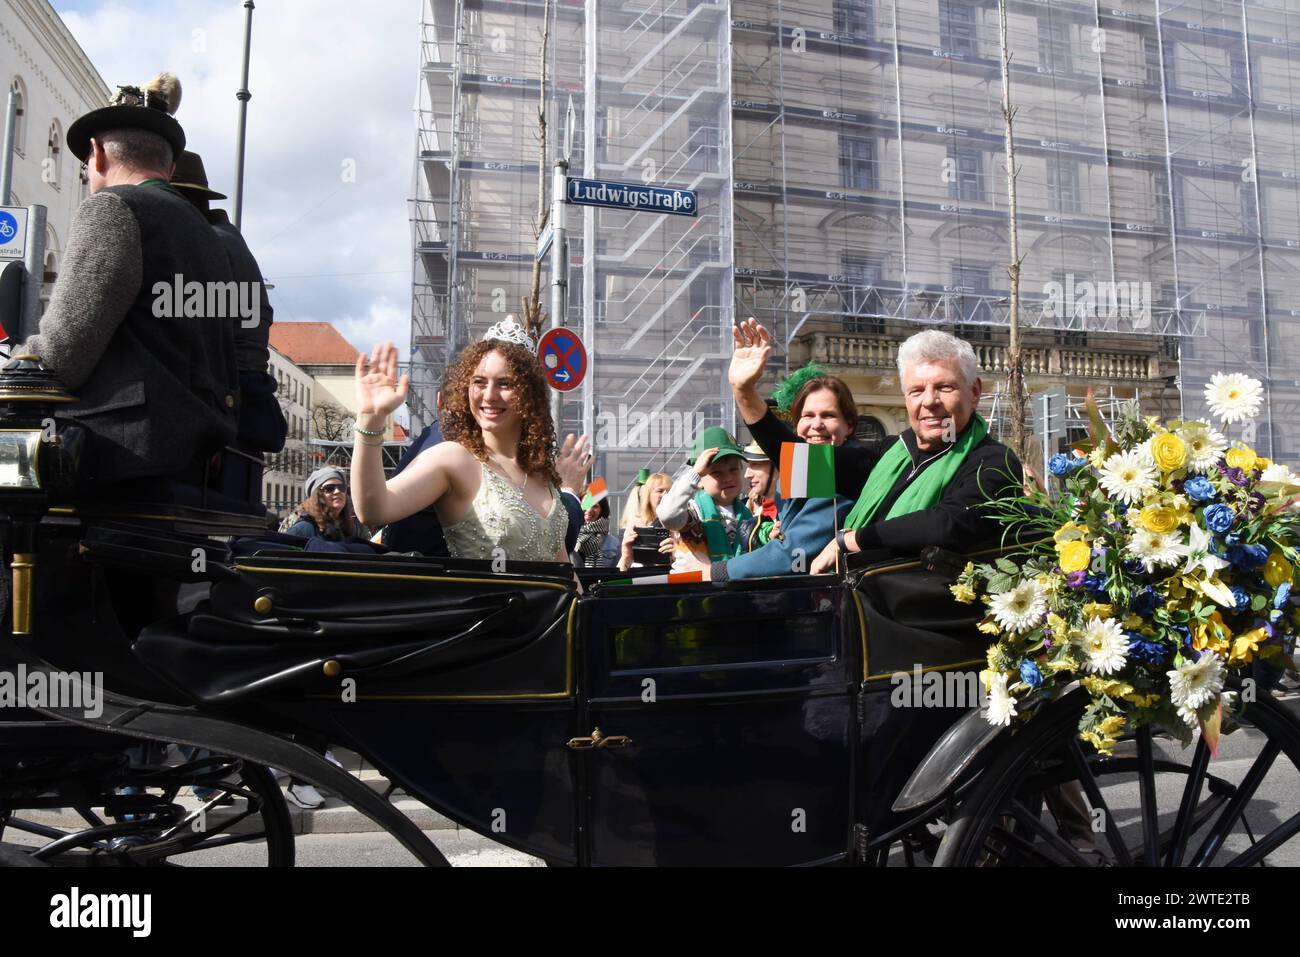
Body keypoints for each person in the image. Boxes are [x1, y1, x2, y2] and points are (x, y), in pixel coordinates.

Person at [19, 74, 239, 492]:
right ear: (170, 168)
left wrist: (15, 361)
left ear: (96, 154)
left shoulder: (112, 209)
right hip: (189, 456)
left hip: (116, 456)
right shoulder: (207, 233)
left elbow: (60, 355)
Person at [729, 319, 1022, 574]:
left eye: (945, 387)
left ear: (974, 392)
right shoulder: (889, 452)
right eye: (917, 391)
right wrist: (744, 392)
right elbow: (799, 464)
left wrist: (849, 540)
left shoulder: (995, 460)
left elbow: (947, 523)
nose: (930, 401)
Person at [349, 317, 573, 563]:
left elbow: (562, 566)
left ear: (529, 392)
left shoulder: (539, 471)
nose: (489, 395)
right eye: (479, 382)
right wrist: (370, 420)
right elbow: (373, 508)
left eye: (505, 384)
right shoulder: (453, 458)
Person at [169, 149, 287, 503]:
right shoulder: (227, 241)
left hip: (225, 412)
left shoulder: (208, 247)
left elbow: (193, 341)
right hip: (239, 409)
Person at [686, 368, 857, 581]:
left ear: (849, 425)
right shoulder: (805, 468)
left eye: (828, 415)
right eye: (808, 416)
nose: (816, 425)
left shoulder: (844, 470)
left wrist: (711, 572)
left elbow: (791, 554)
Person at [655, 427, 753, 571]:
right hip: (695, 590)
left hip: (733, 589)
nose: (728, 478)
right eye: (717, 473)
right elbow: (667, 515)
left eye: (733, 469)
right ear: (699, 479)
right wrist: (694, 473)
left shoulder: (747, 514)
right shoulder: (693, 511)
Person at [284, 467, 371, 546]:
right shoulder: (302, 530)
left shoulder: (354, 528)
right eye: (329, 488)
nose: (337, 491)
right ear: (316, 495)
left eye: (341, 487)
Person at [617, 471, 673, 571]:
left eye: (669, 491)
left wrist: (678, 553)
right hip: (642, 580)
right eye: (660, 491)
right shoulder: (635, 526)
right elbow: (620, 572)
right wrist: (626, 554)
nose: (666, 495)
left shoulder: (681, 526)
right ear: (648, 495)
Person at [573, 497, 619, 568]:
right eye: (586, 505)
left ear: (602, 510)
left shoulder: (614, 543)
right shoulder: (569, 537)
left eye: (595, 506)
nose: (589, 510)